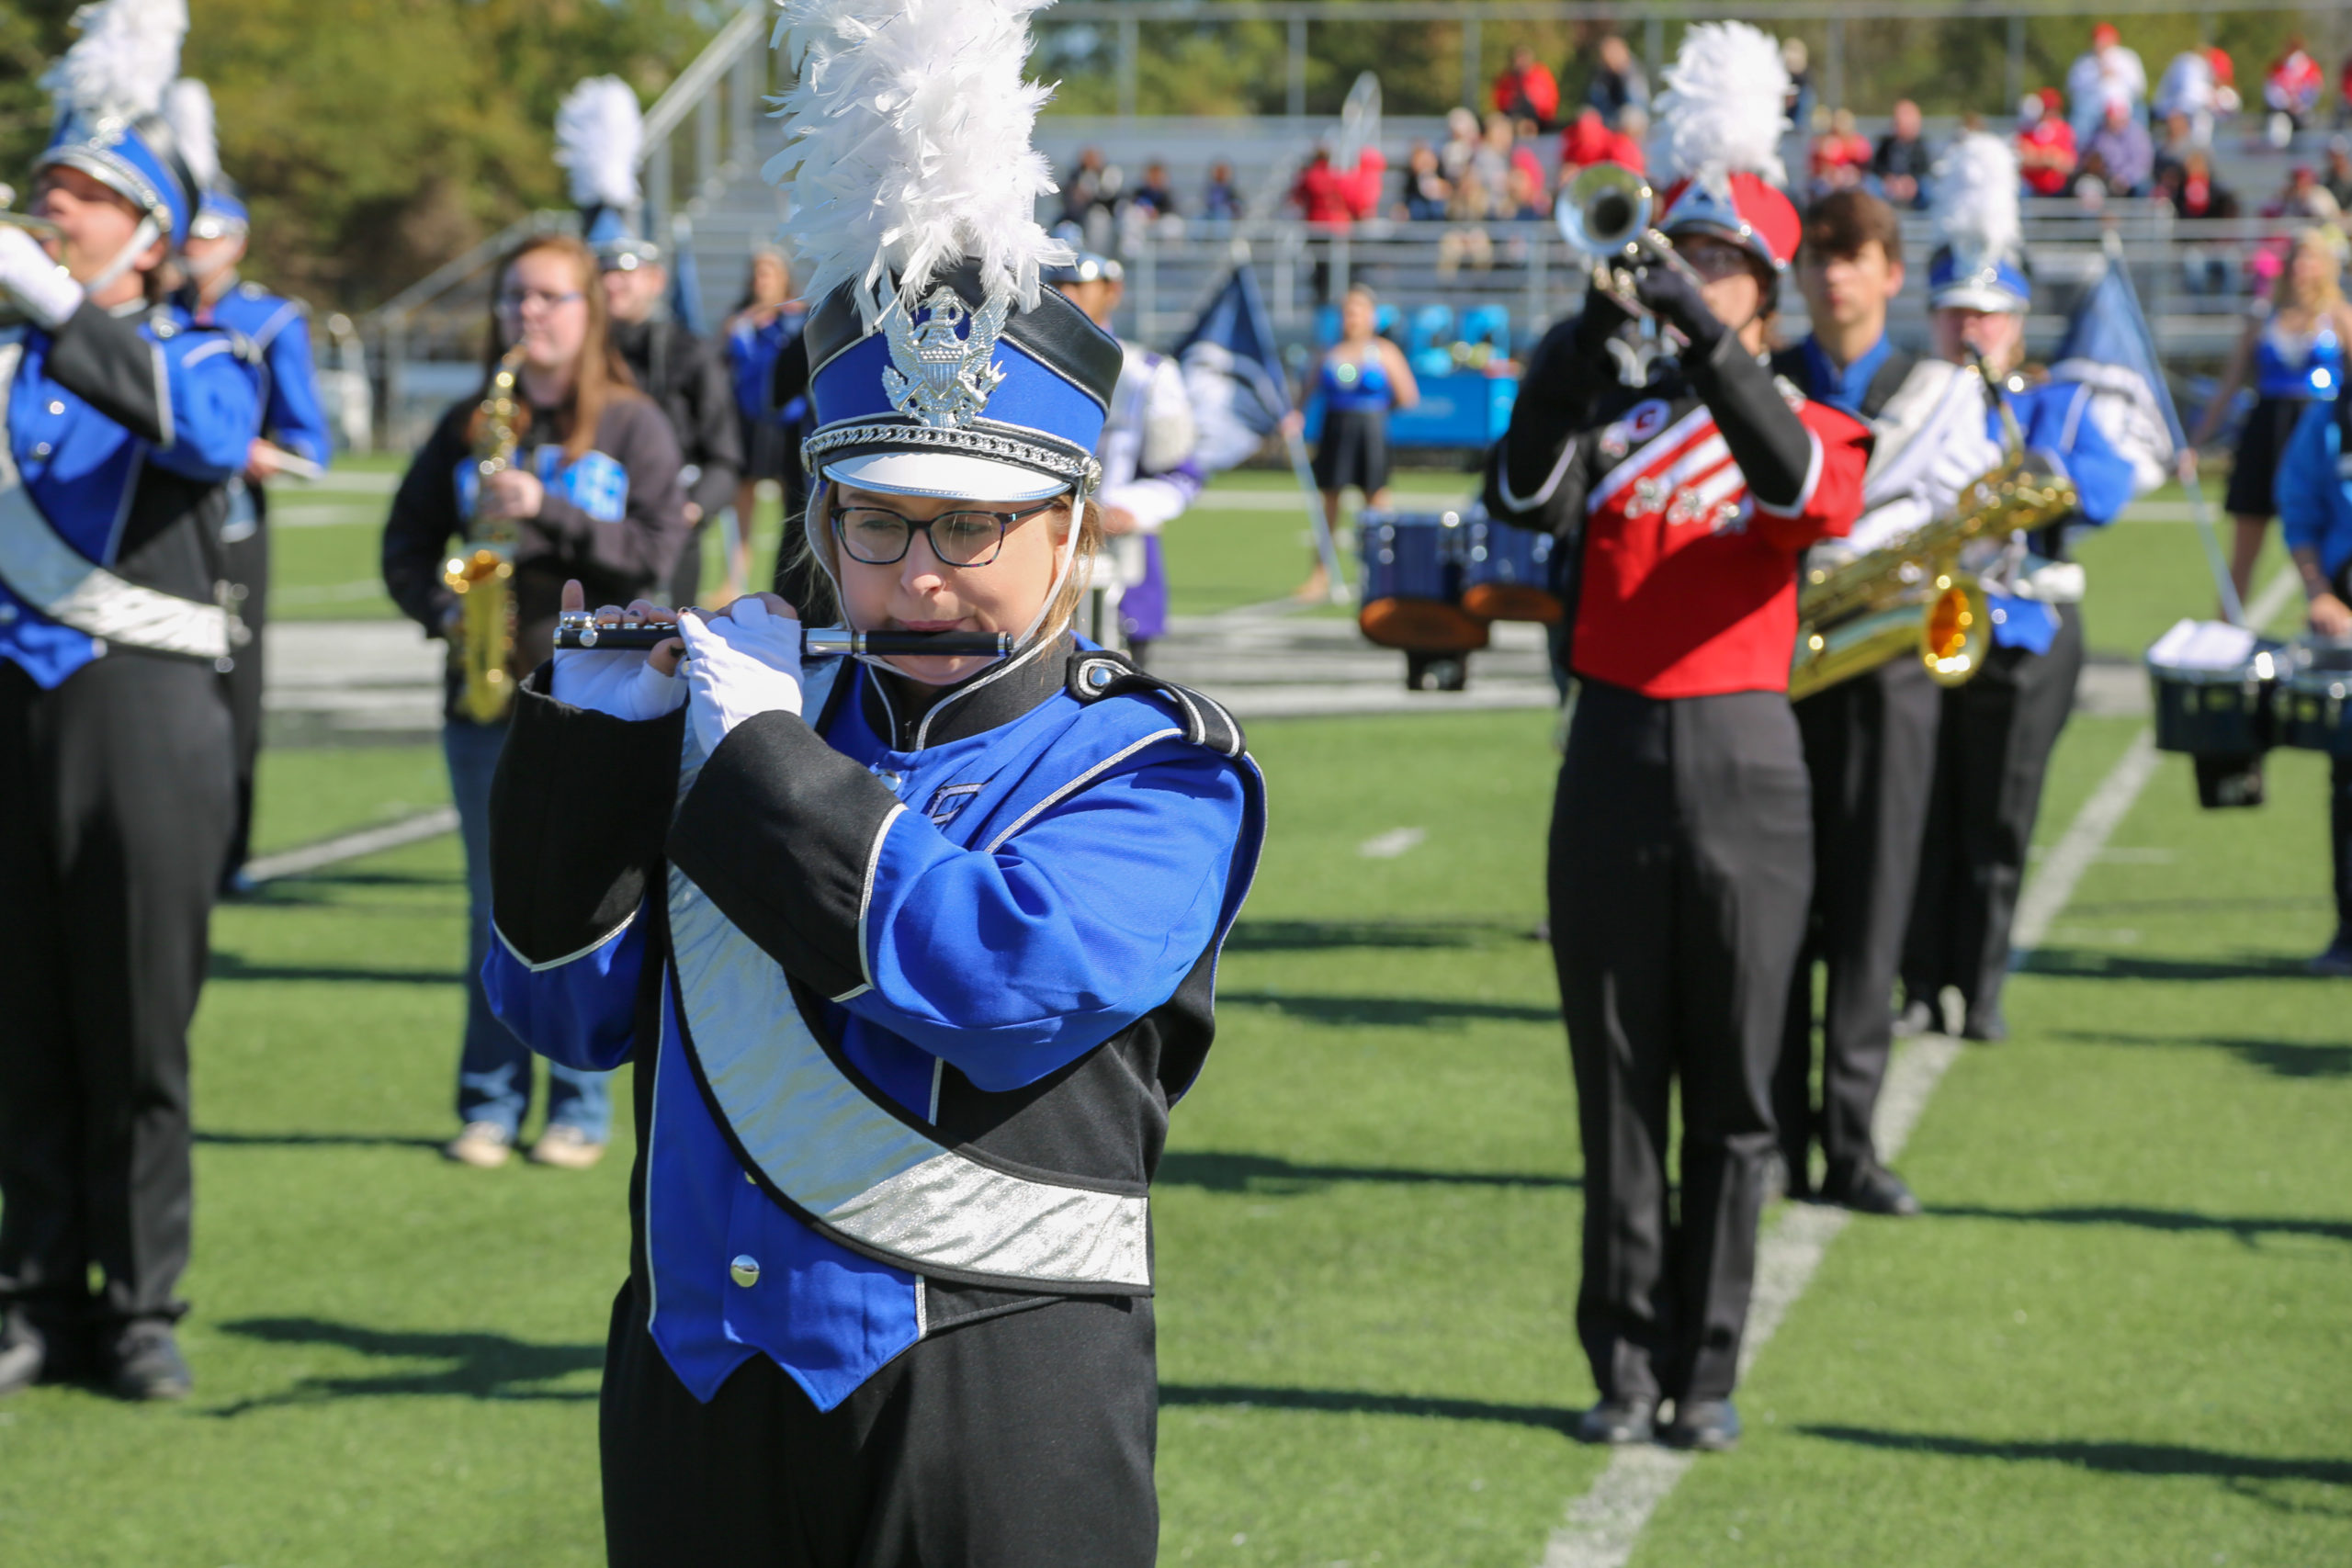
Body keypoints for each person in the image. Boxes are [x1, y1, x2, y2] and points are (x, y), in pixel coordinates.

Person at [485, 7, 1265, 1557]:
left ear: (1070, 527)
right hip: (692, 1382)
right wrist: (588, 735)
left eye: (965, 530)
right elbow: (561, 1006)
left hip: (993, 1400)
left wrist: (761, 754)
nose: (913, 578)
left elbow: (993, 976)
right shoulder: (756, 703)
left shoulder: (1156, 769)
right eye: (877, 523)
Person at [1483, 22, 1870, 1453]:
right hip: (1611, 752)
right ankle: (1622, 1357)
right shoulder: (1608, 396)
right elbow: (1524, 498)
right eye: (1676, 254)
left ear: (1762, 293)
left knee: (1743, 1088)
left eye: (1715, 263)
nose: (1681, 275)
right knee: (1619, 1076)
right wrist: (1578, 362)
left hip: (1750, 759)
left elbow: (1796, 481)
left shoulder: (1812, 410)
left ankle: (1705, 1369)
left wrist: (1706, 344)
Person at [0, 4, 262, 1401]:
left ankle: (140, 1302)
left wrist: (54, 309)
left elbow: (211, 438)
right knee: (22, 1021)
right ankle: (33, 1290)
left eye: (91, 194)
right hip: (12, 715)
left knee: (139, 1025)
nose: (58, 203)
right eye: (51, 185)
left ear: (151, 238)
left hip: (144, 716)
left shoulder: (202, 353)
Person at [379, 232, 689, 1173]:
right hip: (487, 698)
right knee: (491, 910)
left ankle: (582, 1105)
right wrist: (450, 613)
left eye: (550, 297)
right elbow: (403, 542)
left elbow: (653, 558)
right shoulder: (472, 425)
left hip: (601, 709)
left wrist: (545, 507)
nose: (529, 314)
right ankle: (487, 1100)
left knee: (590, 909)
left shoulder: (635, 425)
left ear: (590, 311)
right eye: (516, 297)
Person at [1771, 189, 2003, 1218]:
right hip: (1771, 670)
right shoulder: (1763, 381)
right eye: (1819, 256)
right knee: (1776, 915)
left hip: (1889, 669)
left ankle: (1852, 1144)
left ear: (1891, 273)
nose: (1834, 274)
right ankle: (1771, 1137)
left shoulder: (1943, 392)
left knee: (1870, 913)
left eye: (1855, 256)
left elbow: (1978, 527)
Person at [1897, 134, 2136, 1044]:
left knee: (1998, 818)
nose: (1971, 329)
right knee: (1918, 814)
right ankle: (1917, 981)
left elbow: (2106, 491)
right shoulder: (1908, 400)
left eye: (1989, 315)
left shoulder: (2054, 404)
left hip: (2026, 632)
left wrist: (2025, 452)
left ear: (2020, 320)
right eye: (1956, 313)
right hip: (1919, 629)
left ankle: (1980, 983)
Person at [181, 168, 334, 895]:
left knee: (233, 690)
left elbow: (309, 447)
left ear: (237, 243)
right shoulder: (148, 311)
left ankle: (228, 852)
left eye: (207, 233)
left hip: (234, 525)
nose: (192, 246)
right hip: (152, 528)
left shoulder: (269, 321)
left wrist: (251, 452)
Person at [2184, 228, 2352, 605]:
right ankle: (2226, 634)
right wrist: (2196, 444)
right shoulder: (2263, 317)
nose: (2300, 268)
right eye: (2295, 258)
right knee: (2244, 547)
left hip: (2320, 430)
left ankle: (2327, 627)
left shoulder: (2339, 317)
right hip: (2266, 427)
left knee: (2326, 536)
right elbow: (2228, 386)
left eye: (2309, 259)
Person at [1051, 254, 1201, 664]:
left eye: (1080, 285)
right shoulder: (1019, 367)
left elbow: (1180, 475)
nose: (1065, 295)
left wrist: (1124, 510)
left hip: (1121, 561)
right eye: (1057, 282)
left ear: (1112, 291)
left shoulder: (1147, 373)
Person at [2271, 358, 2352, 972]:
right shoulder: (2328, 421)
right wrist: (2319, 591)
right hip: (2344, 619)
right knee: (2347, 778)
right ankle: (2348, 928)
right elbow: (2298, 505)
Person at [1300, 284, 1416, 603]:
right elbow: (1306, 394)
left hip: (1370, 432)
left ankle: (1386, 575)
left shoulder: (1384, 352)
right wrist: (1294, 415)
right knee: (1329, 506)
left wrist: (1376, 413)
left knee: (1377, 506)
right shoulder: (1329, 353)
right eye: (1347, 312)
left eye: (1358, 311)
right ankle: (1320, 574)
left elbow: (1407, 395)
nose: (1351, 318)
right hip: (1335, 430)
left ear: (1371, 316)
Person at [725, 247, 808, 592]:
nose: (762, 280)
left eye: (769, 272)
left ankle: (793, 577)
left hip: (791, 426)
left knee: (793, 502)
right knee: (745, 498)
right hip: (749, 421)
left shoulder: (799, 316)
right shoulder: (739, 320)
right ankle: (735, 580)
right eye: (757, 273)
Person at [2066, 22, 2146, 145]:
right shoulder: (2084, 61)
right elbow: (2073, 88)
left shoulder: (2127, 57)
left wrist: (2116, 75)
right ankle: (2080, 153)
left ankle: (2139, 151)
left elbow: (2139, 88)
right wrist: (2097, 76)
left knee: (2140, 112)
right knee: (2081, 115)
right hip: (2094, 107)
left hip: (2125, 103)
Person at [2084, 96, 2154, 197]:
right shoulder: (2100, 133)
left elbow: (2142, 165)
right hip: (2107, 179)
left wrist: (2123, 178)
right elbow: (2093, 159)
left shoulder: (2137, 133)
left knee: (2144, 186)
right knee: (2087, 186)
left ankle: (2138, 212)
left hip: (2132, 179)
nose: (2111, 120)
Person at [2017, 88, 2079, 198]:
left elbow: (2069, 164)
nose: (2049, 113)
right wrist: (2048, 158)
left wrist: (2042, 156)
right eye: (2046, 109)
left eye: (2052, 109)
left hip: (2059, 191)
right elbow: (2024, 159)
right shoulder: (2027, 130)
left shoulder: (2064, 130)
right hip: (2032, 190)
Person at [1872, 99, 1934, 208]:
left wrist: (1911, 180)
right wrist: (1888, 178)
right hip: (1889, 182)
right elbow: (1876, 165)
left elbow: (1924, 168)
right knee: (1871, 186)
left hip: (1912, 183)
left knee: (1927, 188)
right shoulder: (1886, 143)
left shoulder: (1920, 145)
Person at [1493, 44, 1561, 131]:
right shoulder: (1507, 80)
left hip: (1541, 121)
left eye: (1523, 59)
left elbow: (1550, 101)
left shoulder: (1541, 76)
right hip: (1514, 120)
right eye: (1518, 60)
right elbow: (1501, 102)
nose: (1520, 63)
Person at [1808, 107, 1872, 199]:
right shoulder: (1825, 143)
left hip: (1852, 181)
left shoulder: (1859, 143)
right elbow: (1819, 168)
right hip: (1830, 182)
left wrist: (1849, 173)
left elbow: (1864, 166)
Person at [1585, 33, 1648, 127]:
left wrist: (1622, 76)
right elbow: (1596, 101)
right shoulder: (1602, 75)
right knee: (1587, 117)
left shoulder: (1633, 73)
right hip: (1609, 117)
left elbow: (1637, 104)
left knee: (1630, 117)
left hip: (1627, 121)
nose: (1609, 64)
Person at [1203, 159, 1244, 223]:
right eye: (1218, 172)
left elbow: (1237, 204)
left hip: (1224, 215)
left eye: (1222, 172)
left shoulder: (1231, 189)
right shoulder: (1211, 188)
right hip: (1211, 213)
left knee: (1220, 216)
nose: (1219, 174)